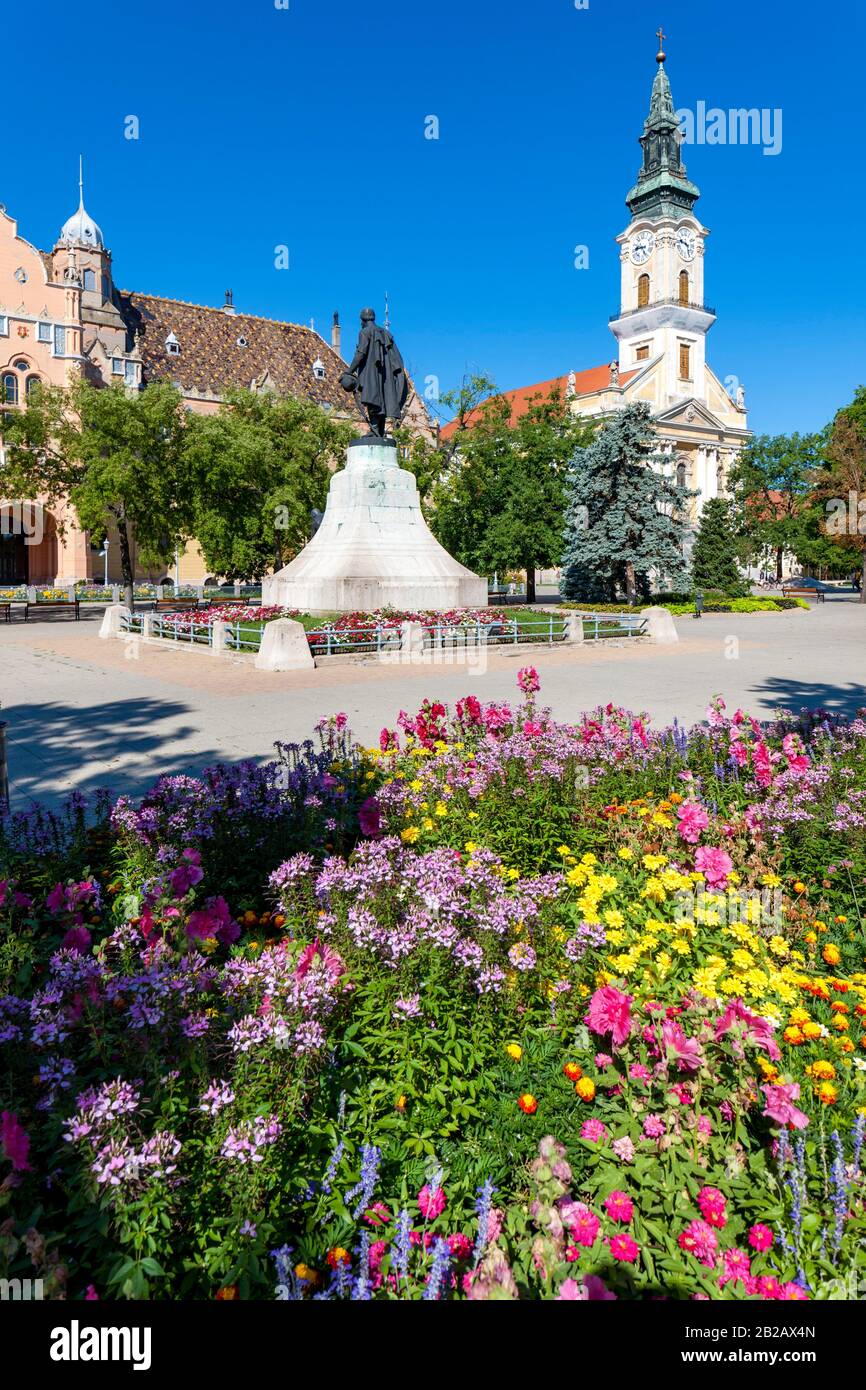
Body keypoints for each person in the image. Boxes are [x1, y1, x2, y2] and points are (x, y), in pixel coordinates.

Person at [340, 308, 409, 439]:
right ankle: (379, 431)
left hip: (371, 373)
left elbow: (361, 353)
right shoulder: (385, 333)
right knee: (381, 400)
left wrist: (349, 371)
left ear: (363, 320)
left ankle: (375, 430)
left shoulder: (365, 332)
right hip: (385, 376)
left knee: (372, 399)